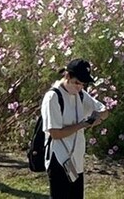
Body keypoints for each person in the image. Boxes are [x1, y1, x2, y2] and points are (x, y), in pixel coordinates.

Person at [43, 58, 107, 198]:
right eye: (77, 83)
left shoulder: (81, 94)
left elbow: (103, 111)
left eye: (83, 84)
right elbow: (55, 133)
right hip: (59, 159)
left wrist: (97, 119)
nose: (80, 87)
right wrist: (83, 124)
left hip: (76, 160)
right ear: (67, 76)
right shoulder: (53, 97)